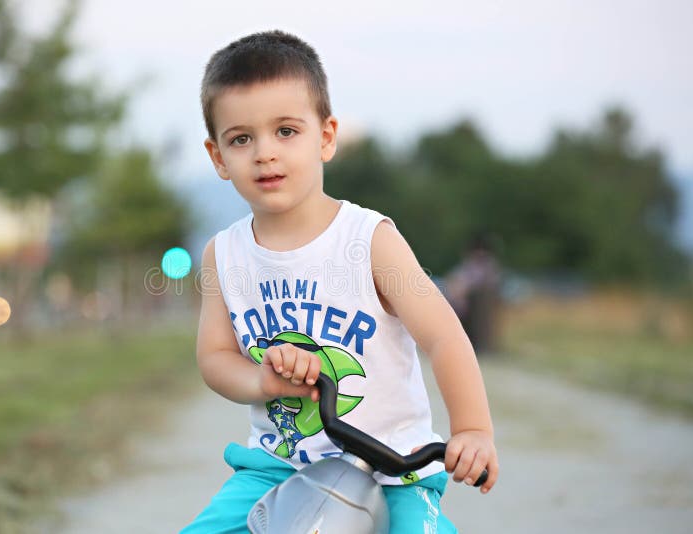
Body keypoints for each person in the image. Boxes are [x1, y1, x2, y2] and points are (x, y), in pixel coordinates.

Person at [184, 30, 498, 533]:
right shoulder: (223, 254)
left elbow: (443, 335)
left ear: (326, 137)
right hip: (277, 468)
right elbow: (215, 357)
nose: (264, 152)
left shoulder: (370, 240)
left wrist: (473, 429)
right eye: (241, 139)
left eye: (286, 131)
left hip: (393, 470)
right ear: (218, 155)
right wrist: (261, 381)